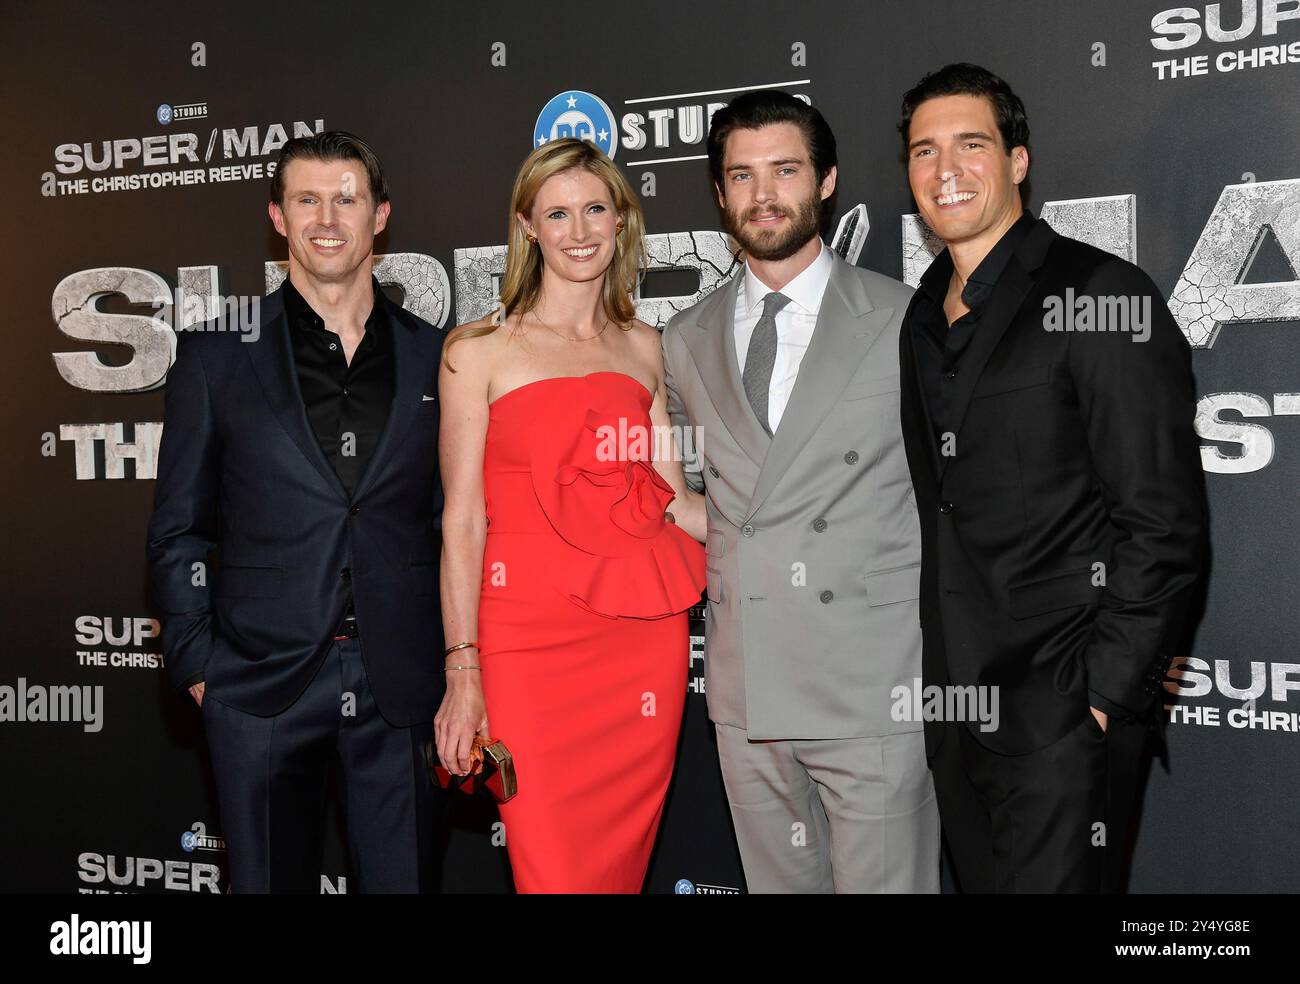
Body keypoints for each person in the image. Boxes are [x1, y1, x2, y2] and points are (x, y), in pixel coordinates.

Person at [896, 63, 1206, 892]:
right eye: (924, 152)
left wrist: (1102, 700)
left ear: (1018, 160)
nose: (945, 169)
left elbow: (1163, 524)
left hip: (1065, 715)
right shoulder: (921, 313)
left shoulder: (1102, 295)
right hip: (958, 715)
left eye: (971, 144)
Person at [147, 132, 447, 893]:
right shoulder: (217, 355)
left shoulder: (435, 356)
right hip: (259, 683)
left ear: (380, 215)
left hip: (402, 686)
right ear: (277, 216)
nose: (327, 218)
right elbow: (180, 526)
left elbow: (457, 521)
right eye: (306, 199)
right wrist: (198, 664)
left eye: (346, 198)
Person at [660, 90, 939, 893]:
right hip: (749, 688)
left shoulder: (905, 318)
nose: (763, 194)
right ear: (719, 194)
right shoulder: (686, 337)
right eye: (741, 175)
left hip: (871, 682)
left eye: (784, 170)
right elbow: (672, 470)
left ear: (826, 182)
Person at [435, 137, 707, 893]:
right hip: (525, 642)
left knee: (618, 871)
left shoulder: (648, 348)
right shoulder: (477, 351)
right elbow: (461, 521)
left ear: (622, 222)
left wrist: (790, 523)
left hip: (637, 642)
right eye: (557, 213)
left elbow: (674, 501)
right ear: (527, 226)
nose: (579, 229)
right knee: (551, 870)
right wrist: (464, 670)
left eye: (596, 209)